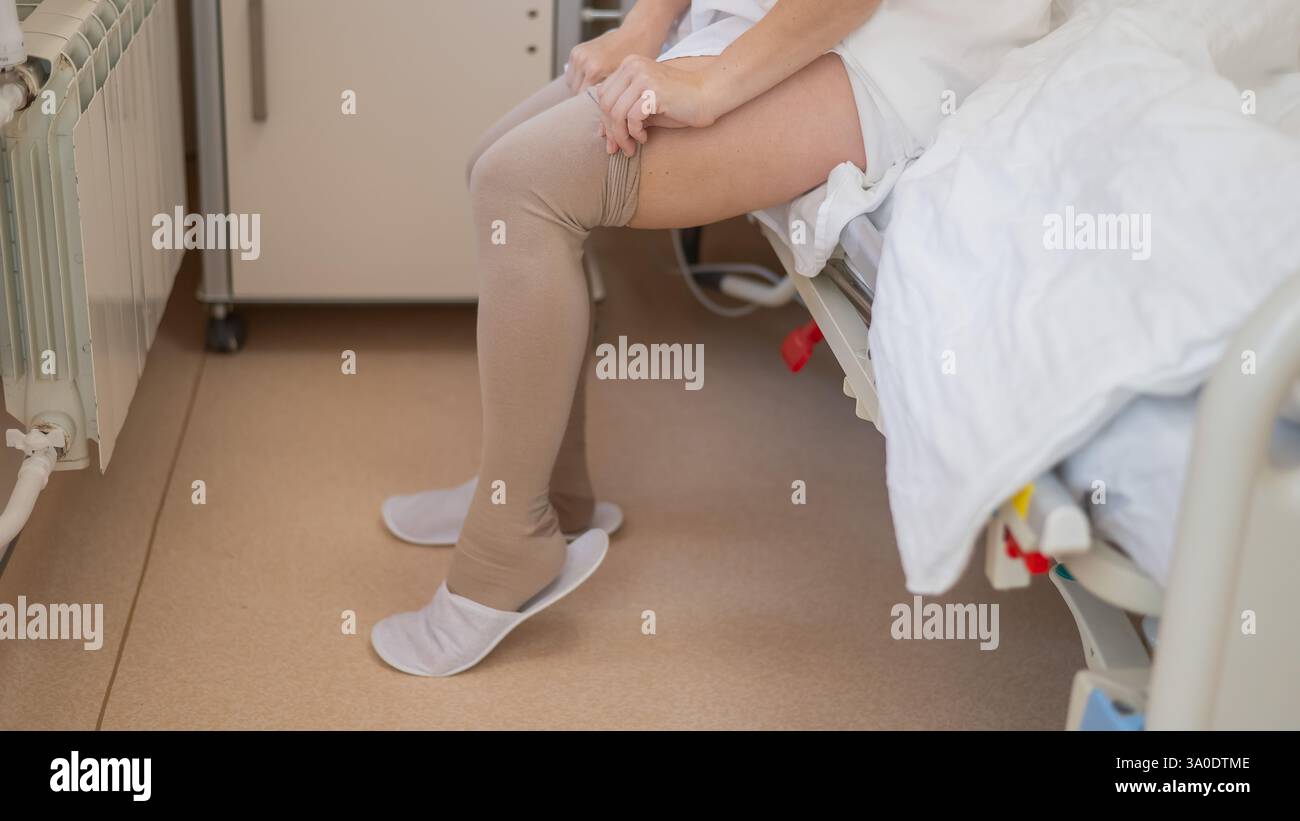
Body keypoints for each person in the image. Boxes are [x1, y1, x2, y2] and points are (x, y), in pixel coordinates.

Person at [371, 0, 1051, 677]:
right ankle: (547, 491)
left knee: (520, 187)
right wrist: (643, 27)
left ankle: (504, 552)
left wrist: (713, 84)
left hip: (894, 44)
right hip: (767, 19)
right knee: (489, 164)